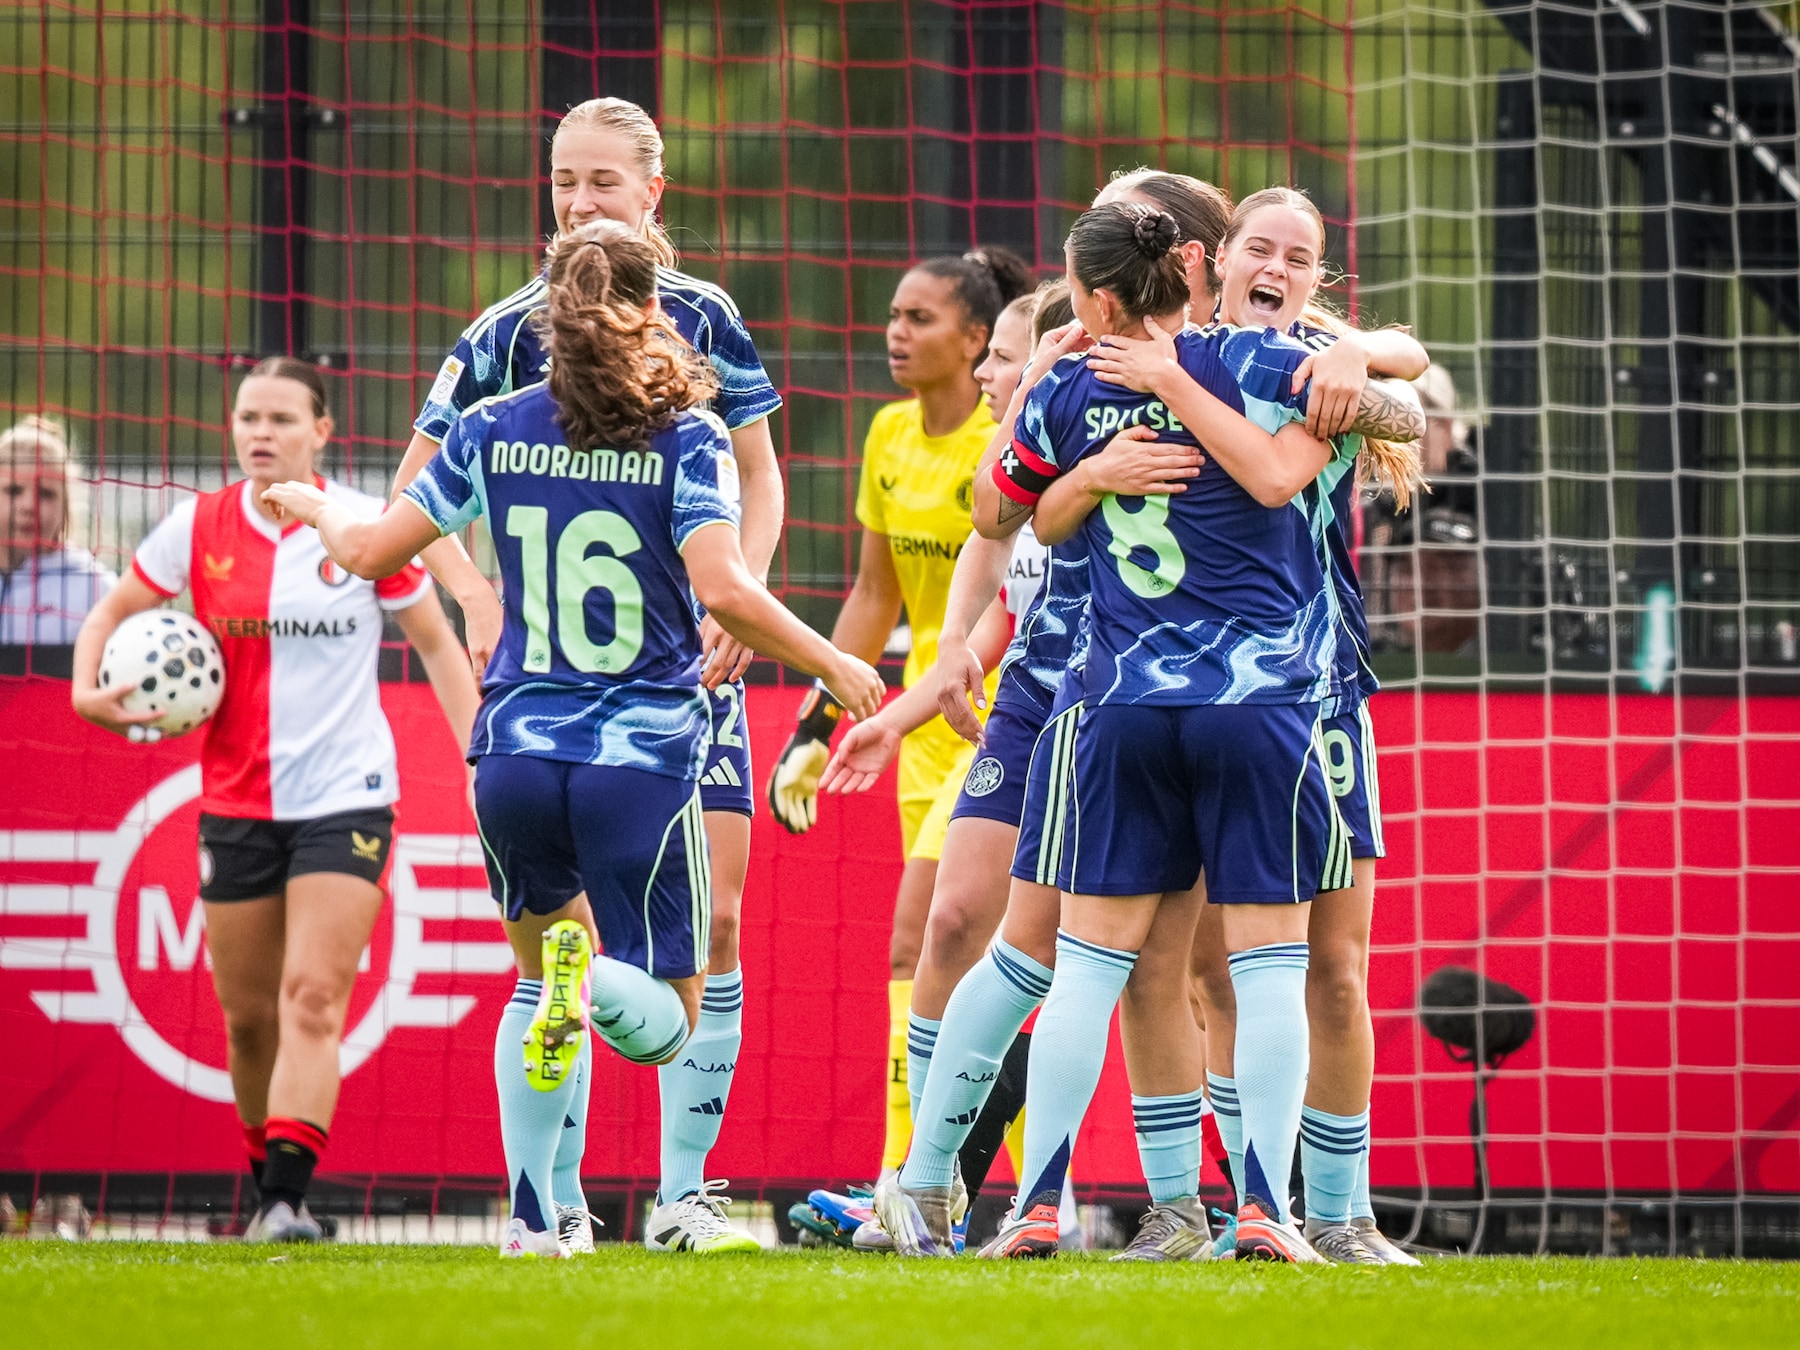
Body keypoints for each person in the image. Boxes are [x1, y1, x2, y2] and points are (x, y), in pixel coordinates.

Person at [264, 219, 884, 1259]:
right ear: (655, 313)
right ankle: (588, 989)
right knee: (673, 1017)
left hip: (510, 756)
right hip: (635, 763)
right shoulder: (686, 434)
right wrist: (833, 665)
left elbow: (374, 551)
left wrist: (314, 503)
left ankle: (529, 1220)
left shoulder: (493, 424)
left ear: (548, 316)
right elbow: (725, 587)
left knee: (533, 979)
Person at [970, 197, 1422, 1263]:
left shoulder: (1300, 355)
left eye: (1301, 256)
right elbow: (1282, 470)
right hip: (1253, 699)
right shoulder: (1225, 368)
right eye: (1260, 247)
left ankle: (1332, 1211)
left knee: (1322, 967)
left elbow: (999, 506)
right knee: (1185, 964)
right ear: (1210, 261)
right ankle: (1209, 1206)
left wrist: (1359, 351)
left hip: (1275, 696)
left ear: (1319, 278)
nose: (1278, 265)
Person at [387, 96, 787, 1251]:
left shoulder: (704, 316)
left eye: (603, 183)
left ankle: (681, 1197)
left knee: (711, 930)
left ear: (654, 195)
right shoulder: (509, 329)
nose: (579, 203)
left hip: (689, 673)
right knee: (555, 944)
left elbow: (760, 476)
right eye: (564, 182)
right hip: (557, 690)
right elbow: (412, 485)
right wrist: (475, 595)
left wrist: (743, 604)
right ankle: (549, 1202)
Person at [69, 358, 481, 1242]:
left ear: (321, 432)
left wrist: (480, 760)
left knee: (311, 999)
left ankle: (289, 1200)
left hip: (349, 798)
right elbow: (108, 617)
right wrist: (82, 689)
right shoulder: (195, 528)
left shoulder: (361, 528)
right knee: (248, 1020)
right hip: (235, 802)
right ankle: (271, 1192)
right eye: (248, 417)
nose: (261, 432)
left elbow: (439, 646)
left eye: (282, 419)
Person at [764, 245, 1033, 1184]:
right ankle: (933, 1182)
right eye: (892, 315)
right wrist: (813, 720)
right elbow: (873, 599)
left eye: (919, 319)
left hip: (998, 711)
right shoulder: (887, 435)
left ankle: (921, 1182)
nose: (895, 332)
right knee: (947, 953)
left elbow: (1007, 592)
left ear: (975, 340)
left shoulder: (1007, 437)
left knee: (929, 937)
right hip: (918, 721)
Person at [1, 416, 115, 644]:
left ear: (66, 506)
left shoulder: (96, 587)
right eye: (13, 490)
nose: (29, 506)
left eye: (45, 493)